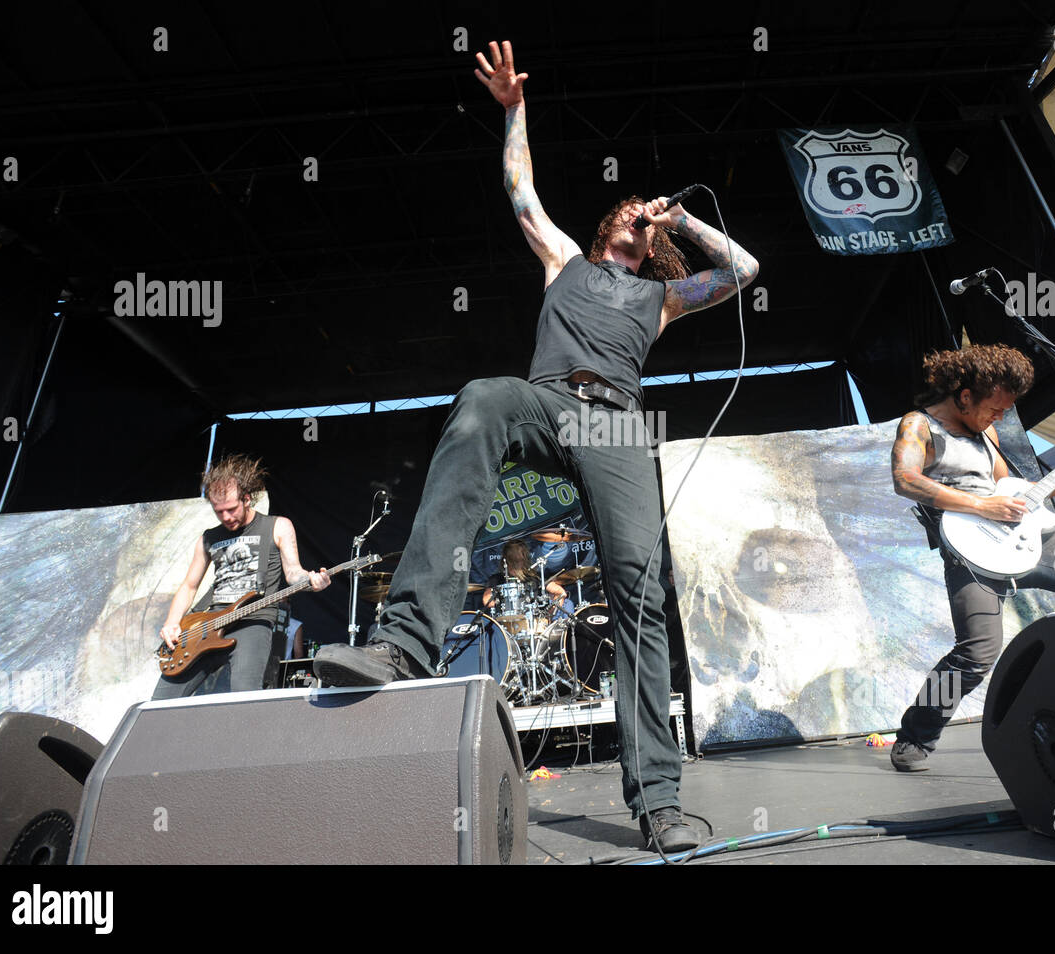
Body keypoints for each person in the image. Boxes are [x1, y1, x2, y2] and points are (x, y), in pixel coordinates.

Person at [314, 39, 758, 852]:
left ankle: (657, 798)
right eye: (624, 210)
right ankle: (405, 646)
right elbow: (522, 194)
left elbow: (743, 269)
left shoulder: (662, 296)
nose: (631, 213)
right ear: (604, 227)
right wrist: (515, 109)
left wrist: (681, 217)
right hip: (545, 402)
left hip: (617, 422)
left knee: (638, 587)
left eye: (640, 213)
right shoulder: (565, 261)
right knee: (482, 399)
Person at [888, 344, 1055, 771]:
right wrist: (980, 508)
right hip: (970, 553)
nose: (999, 417)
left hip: (1027, 541)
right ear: (964, 396)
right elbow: (905, 480)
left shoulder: (987, 434)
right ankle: (915, 737)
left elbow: (1012, 495)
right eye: (994, 409)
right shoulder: (919, 425)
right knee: (976, 654)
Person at [154, 455, 331, 699]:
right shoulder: (208, 538)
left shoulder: (277, 525)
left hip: (253, 620)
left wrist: (311, 582)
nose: (225, 517)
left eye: (231, 509)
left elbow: (293, 573)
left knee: (243, 697)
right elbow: (189, 586)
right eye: (219, 512)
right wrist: (172, 623)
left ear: (247, 499)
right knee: (161, 701)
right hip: (206, 625)